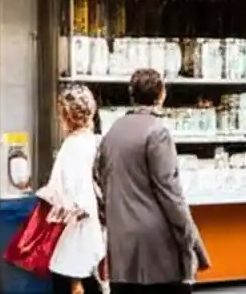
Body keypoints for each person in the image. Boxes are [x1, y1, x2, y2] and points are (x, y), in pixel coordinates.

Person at [96, 68, 210, 294]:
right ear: (161, 94)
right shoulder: (158, 132)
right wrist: (188, 233)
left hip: (121, 242)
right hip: (155, 244)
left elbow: (100, 179)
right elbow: (169, 191)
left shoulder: (113, 132)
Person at [37, 84, 105, 294]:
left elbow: (64, 191)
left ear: (67, 115)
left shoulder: (72, 146)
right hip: (97, 227)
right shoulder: (96, 142)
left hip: (76, 226)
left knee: (71, 278)